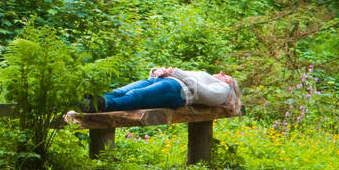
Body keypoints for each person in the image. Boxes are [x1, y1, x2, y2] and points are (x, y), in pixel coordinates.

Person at [81, 67, 240, 114]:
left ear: (232, 88)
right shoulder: (206, 76)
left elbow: (204, 93)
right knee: (119, 92)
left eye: (228, 77)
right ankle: (93, 102)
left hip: (176, 90)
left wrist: (175, 73)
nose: (223, 73)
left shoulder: (224, 90)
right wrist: (158, 72)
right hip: (166, 82)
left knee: (137, 96)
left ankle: (104, 105)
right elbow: (181, 76)